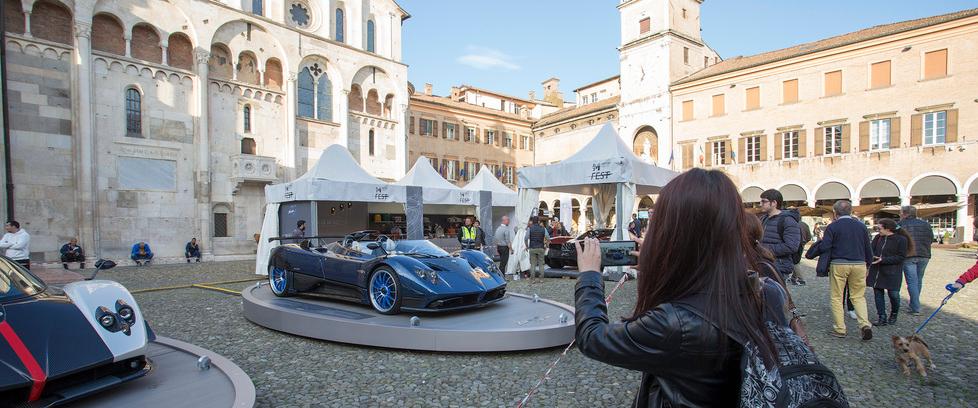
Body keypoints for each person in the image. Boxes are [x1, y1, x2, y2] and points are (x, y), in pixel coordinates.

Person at [574, 168, 781, 406]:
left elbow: (593, 338)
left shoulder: (674, 323)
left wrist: (589, 276)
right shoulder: (768, 292)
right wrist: (661, 265)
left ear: (674, 232)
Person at [812, 200, 874, 340]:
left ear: (835, 212)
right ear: (850, 211)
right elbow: (867, 246)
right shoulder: (861, 226)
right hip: (859, 263)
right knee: (858, 296)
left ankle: (840, 329)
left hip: (839, 263)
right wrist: (869, 264)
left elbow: (825, 247)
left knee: (837, 297)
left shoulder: (833, 227)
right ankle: (864, 324)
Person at [867, 219, 912, 326]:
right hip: (877, 271)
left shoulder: (901, 240)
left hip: (893, 271)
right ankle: (881, 316)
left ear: (888, 228)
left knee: (894, 295)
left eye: (880, 228)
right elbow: (871, 249)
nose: (878, 230)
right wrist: (872, 257)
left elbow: (901, 257)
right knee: (878, 294)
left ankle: (894, 313)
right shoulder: (878, 238)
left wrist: (883, 259)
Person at [758, 189, 802, 282]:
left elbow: (792, 246)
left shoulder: (788, 220)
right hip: (763, 264)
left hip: (779, 267)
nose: (760, 204)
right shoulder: (763, 219)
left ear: (774, 203)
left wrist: (763, 249)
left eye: (764, 201)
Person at [899, 206, 933, 316]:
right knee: (918, 280)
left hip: (909, 255)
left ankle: (916, 307)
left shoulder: (901, 225)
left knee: (912, 281)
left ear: (904, 214)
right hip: (924, 254)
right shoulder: (926, 224)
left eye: (901, 213)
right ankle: (915, 303)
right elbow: (931, 238)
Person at [525, 216, 549, 283]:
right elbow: (547, 237)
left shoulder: (530, 228)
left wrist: (527, 246)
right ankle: (541, 279)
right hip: (541, 248)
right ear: (538, 221)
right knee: (541, 264)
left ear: (532, 221)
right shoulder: (543, 228)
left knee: (533, 264)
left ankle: (533, 279)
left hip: (532, 248)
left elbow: (526, 238)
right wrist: (547, 245)